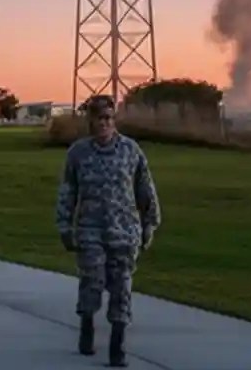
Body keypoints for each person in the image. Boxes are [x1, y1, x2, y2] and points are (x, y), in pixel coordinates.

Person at [56, 94, 161, 368]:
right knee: (91, 281)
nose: (103, 124)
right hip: (91, 230)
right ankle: (87, 325)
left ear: (113, 121)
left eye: (107, 119)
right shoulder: (78, 153)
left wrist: (150, 223)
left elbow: (145, 190)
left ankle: (118, 343)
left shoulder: (131, 150)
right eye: (97, 119)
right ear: (89, 121)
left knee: (122, 287)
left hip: (125, 231)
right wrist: (65, 226)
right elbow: (68, 192)